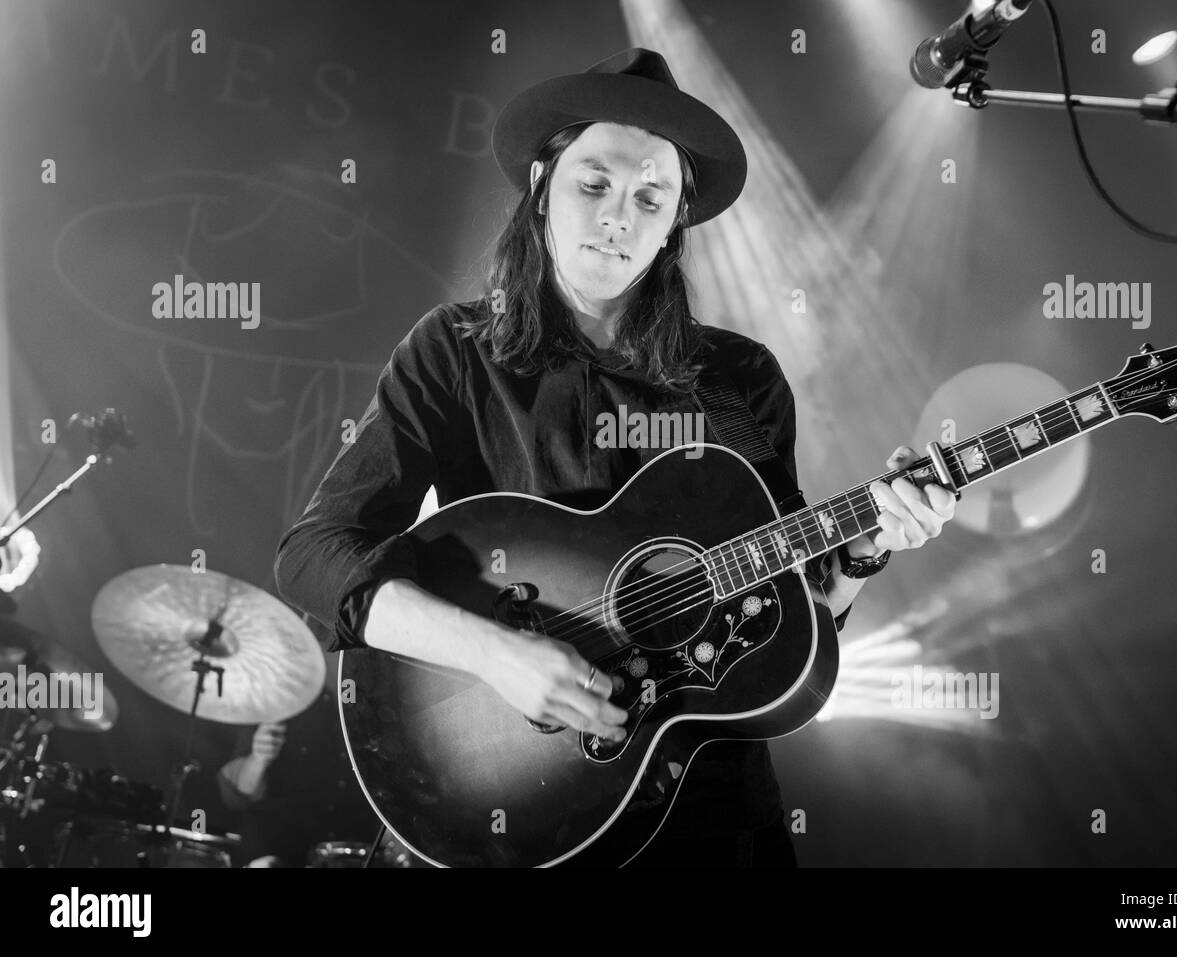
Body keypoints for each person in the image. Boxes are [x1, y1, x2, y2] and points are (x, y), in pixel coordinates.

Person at [274, 48, 956, 867]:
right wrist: (497, 652)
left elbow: (788, 616)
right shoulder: (453, 352)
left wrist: (862, 550)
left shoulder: (739, 380)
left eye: (649, 197)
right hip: (507, 794)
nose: (618, 217)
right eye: (593, 184)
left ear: (676, 221)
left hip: (705, 818)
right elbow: (314, 555)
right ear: (540, 189)